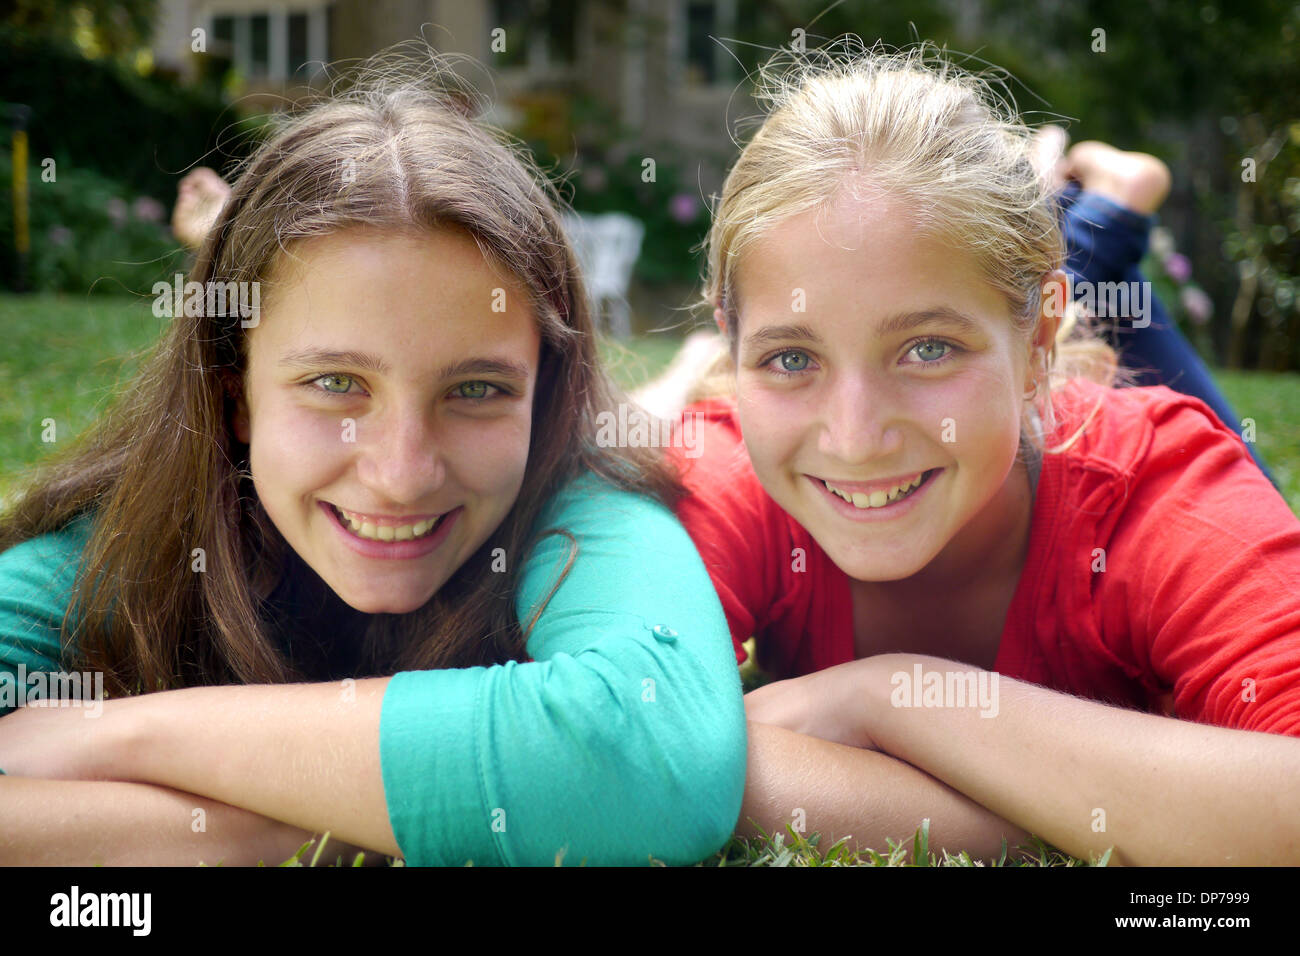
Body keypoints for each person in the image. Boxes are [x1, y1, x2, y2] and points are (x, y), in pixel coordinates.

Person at [0, 52, 746, 866]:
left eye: (476, 390)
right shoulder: (123, 549)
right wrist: (307, 819)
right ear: (235, 396)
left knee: (638, 424)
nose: (400, 472)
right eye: (335, 383)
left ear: (546, 394)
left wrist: (124, 736)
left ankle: (685, 371)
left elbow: (654, 760)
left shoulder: (577, 494)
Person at [660, 42, 1300, 865]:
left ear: (1038, 342)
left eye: (927, 349)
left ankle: (1107, 216)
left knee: (1125, 306)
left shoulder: (1155, 483)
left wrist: (891, 698)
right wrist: (1114, 817)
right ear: (733, 343)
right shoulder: (728, 473)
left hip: (1103, 414)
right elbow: (584, 745)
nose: (855, 438)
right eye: (791, 359)